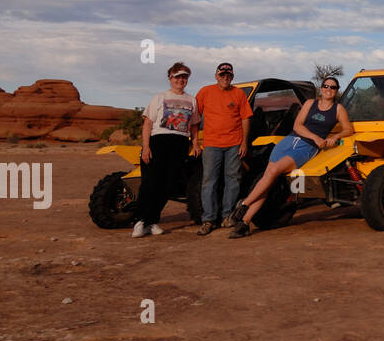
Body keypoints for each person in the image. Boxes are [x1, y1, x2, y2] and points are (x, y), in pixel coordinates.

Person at [228, 77, 353, 238]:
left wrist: (335, 137)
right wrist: (316, 137)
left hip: (306, 148)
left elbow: (348, 129)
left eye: (333, 87)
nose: (329, 89)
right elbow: (297, 126)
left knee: (272, 172)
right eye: (326, 86)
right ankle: (245, 222)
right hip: (288, 142)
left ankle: (244, 204)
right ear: (321, 88)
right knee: (268, 180)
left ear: (336, 91)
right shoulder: (310, 104)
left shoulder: (338, 109)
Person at [134, 61, 201, 238]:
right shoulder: (159, 97)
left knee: (168, 184)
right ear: (170, 78)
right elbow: (147, 123)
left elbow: (194, 125)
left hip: (180, 143)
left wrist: (195, 144)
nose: (181, 80)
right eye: (178, 76)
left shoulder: (191, 100)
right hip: (158, 141)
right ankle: (141, 221)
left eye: (184, 77)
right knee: (151, 182)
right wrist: (146, 147)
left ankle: (153, 221)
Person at [193, 62, 253, 235]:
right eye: (222, 75)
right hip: (211, 144)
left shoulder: (239, 94)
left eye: (228, 75)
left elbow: (245, 118)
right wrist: (195, 141)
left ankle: (227, 216)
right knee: (209, 181)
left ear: (232, 77)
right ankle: (208, 220)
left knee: (233, 180)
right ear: (216, 76)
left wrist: (244, 143)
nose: (225, 77)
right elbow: (196, 118)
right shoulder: (205, 92)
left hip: (234, 144)